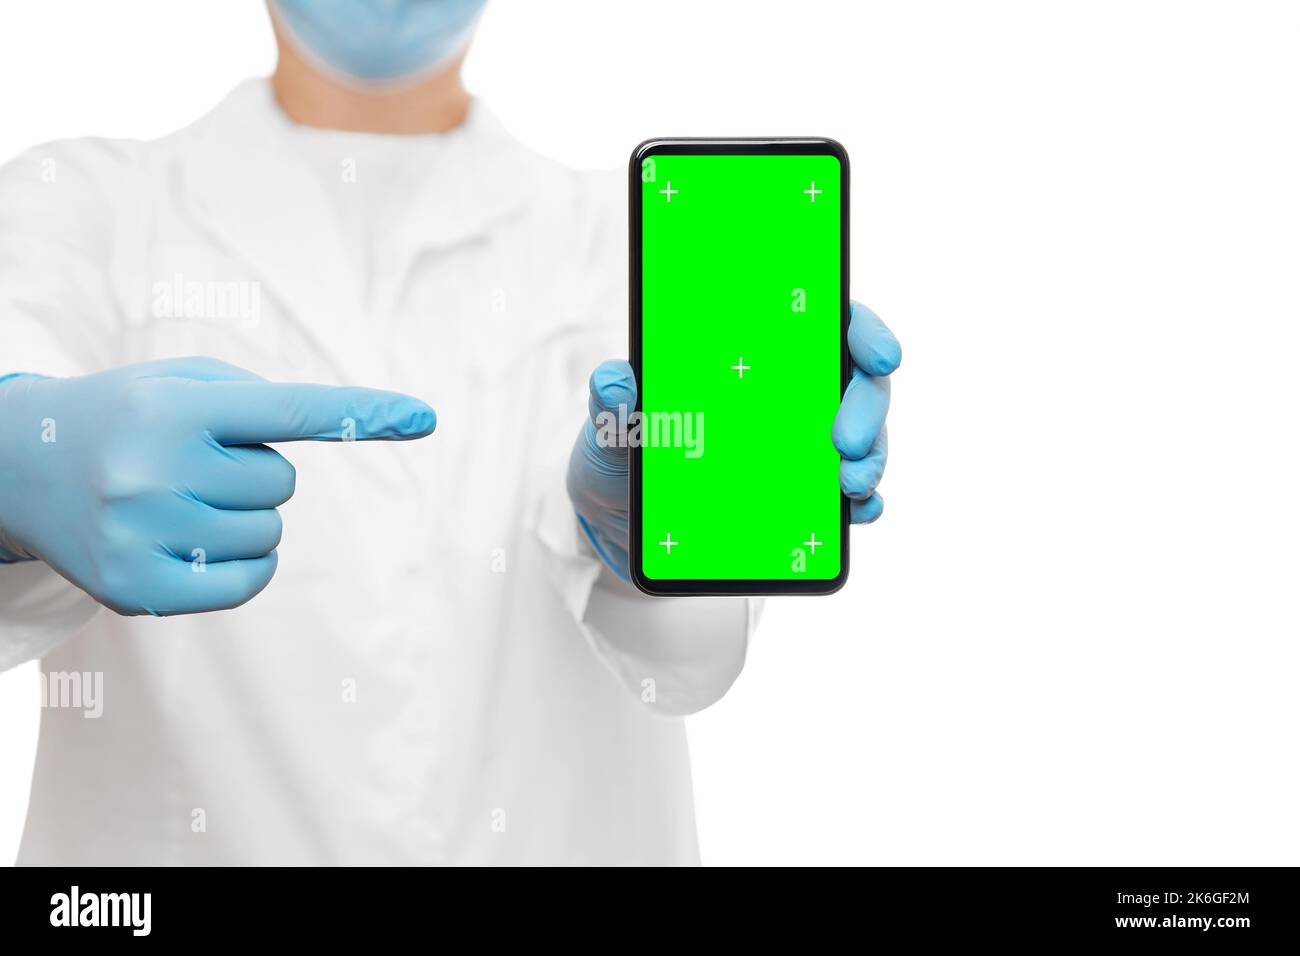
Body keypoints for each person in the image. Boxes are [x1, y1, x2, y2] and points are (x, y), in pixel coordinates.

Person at [0, 0, 899, 865]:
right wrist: (17, 468)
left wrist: (646, 533)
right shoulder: (78, 208)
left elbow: (687, 668)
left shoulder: (624, 242)